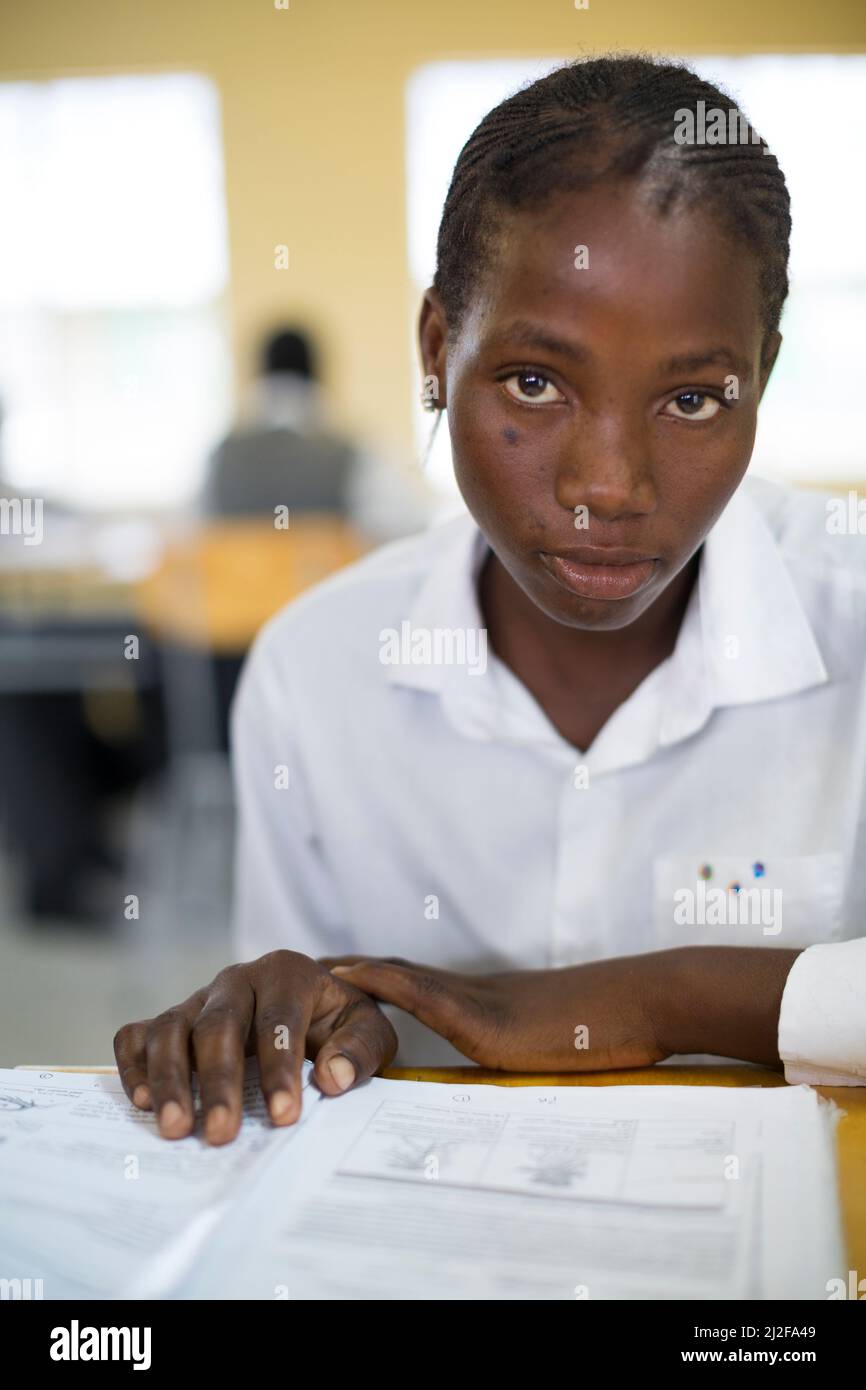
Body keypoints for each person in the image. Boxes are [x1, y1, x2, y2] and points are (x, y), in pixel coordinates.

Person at [114, 55, 866, 1145]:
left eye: (693, 397)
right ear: (435, 350)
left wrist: (647, 999)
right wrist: (327, 1025)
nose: (608, 485)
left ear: (764, 368)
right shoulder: (313, 673)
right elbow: (322, 1045)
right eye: (533, 383)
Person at [201, 325, 430, 542]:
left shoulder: (221, 457)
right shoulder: (354, 452)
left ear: (259, 371)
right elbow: (412, 522)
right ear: (318, 371)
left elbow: (192, 535)